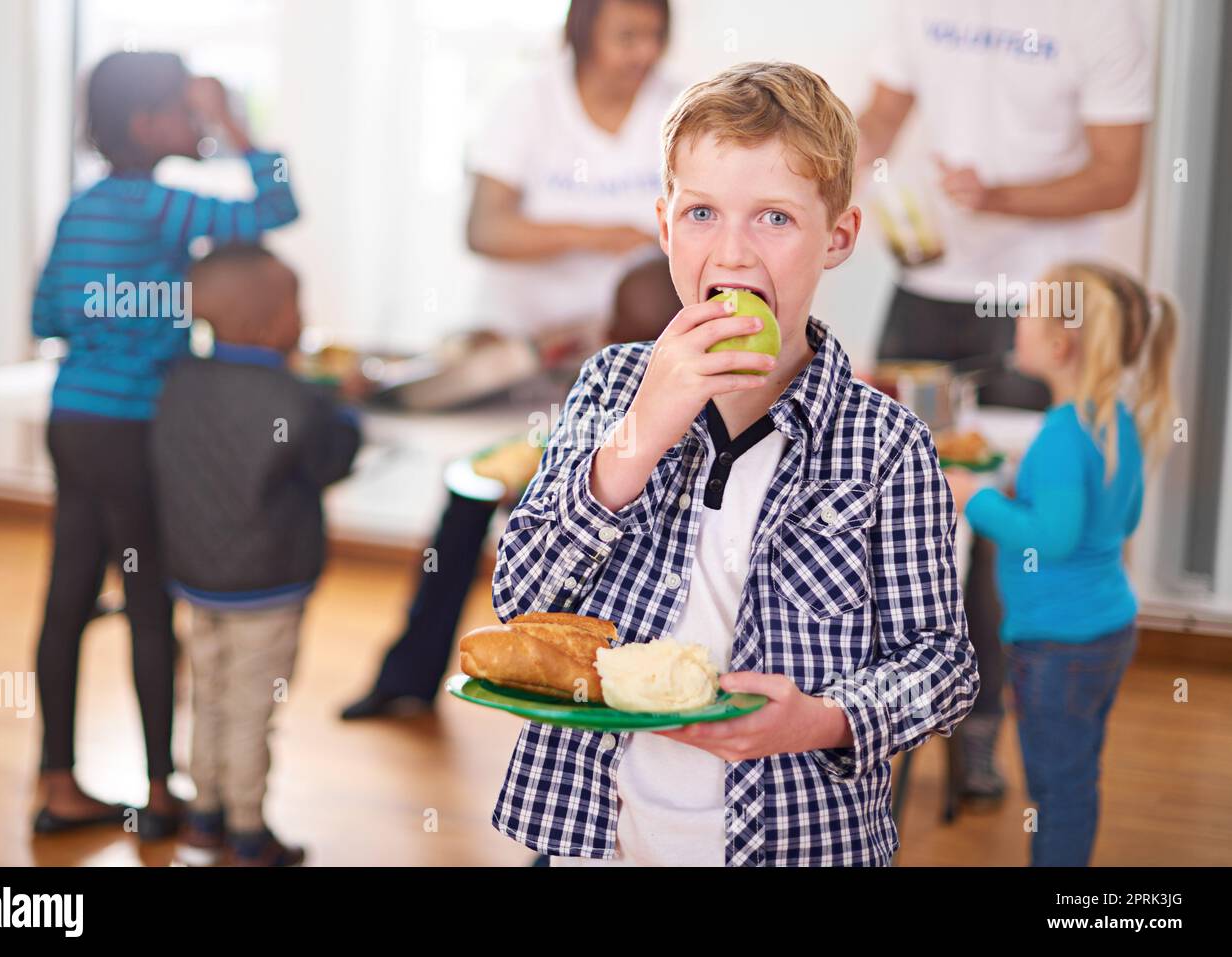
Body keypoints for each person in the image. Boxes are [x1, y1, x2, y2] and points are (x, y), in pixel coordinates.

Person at [491, 61, 978, 866]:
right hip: (594, 840)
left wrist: (821, 718)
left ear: (840, 237)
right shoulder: (613, 386)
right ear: (663, 224)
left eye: (775, 218)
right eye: (703, 212)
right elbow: (522, 597)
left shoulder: (886, 443)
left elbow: (942, 667)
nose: (733, 251)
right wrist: (639, 435)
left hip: (793, 840)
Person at [340, 0, 682, 720]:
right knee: (470, 506)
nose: (641, 52)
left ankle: (608, 698)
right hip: (526, 353)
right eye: (626, 35)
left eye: (652, 34)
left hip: (628, 357)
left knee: (616, 520)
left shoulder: (675, 106)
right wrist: (602, 234)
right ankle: (408, 678)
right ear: (585, 32)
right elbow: (485, 226)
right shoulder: (529, 101)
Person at [855, 0, 1153, 801]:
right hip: (924, 289)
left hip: (1036, 305)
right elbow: (880, 116)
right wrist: (813, 171)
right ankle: (866, 715)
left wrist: (997, 196)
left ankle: (978, 729)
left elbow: (1118, 175)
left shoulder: (1104, 18)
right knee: (877, 501)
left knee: (1001, 531)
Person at [29, 51, 298, 839]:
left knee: (66, 601)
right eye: (187, 108)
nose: (196, 119)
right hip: (139, 428)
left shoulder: (80, 209)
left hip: (72, 421)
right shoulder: (162, 208)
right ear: (149, 124)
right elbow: (277, 207)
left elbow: (47, 314)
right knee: (149, 604)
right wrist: (237, 125)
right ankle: (159, 791)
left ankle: (57, 782)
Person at [946, 262, 1176, 866]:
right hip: (1105, 631)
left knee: (1055, 791)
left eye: (1027, 311)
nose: (1016, 322)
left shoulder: (1060, 437)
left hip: (1058, 648)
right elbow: (1120, 522)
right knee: (1074, 776)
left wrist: (978, 498)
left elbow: (1049, 538)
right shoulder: (1114, 423)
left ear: (1060, 343)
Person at [151, 245, 362, 866]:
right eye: (297, 306)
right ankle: (248, 832)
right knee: (252, 709)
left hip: (196, 578)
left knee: (210, 694)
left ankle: (204, 817)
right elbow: (334, 458)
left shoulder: (180, 381)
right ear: (274, 323)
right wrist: (343, 403)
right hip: (267, 584)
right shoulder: (296, 400)